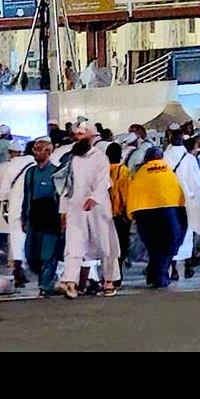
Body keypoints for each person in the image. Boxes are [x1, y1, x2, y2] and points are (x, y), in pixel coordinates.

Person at [59, 122, 121, 298]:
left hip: (98, 210)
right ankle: (70, 281)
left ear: (91, 138)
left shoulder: (100, 158)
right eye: (76, 135)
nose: (78, 138)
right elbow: (64, 186)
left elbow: (103, 182)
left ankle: (109, 280)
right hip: (75, 209)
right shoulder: (70, 158)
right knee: (73, 244)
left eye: (82, 135)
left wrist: (94, 198)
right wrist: (62, 211)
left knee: (106, 245)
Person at [126, 146, 186, 288]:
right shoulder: (169, 171)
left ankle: (154, 273)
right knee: (169, 244)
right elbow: (178, 191)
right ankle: (160, 275)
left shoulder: (140, 172)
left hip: (144, 212)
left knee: (153, 245)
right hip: (169, 210)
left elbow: (133, 190)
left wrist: (132, 213)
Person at [21, 138, 63, 296]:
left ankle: (45, 285)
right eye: (35, 149)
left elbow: (61, 197)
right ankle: (46, 280)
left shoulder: (56, 172)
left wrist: (62, 218)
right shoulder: (30, 173)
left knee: (48, 253)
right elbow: (27, 196)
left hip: (51, 217)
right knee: (31, 254)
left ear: (49, 151)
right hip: (34, 217)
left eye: (40, 149)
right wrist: (24, 217)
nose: (36, 152)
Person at [162, 125, 200, 279]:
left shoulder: (163, 158)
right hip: (186, 202)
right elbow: (197, 184)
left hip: (167, 202)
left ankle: (172, 268)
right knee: (187, 233)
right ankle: (187, 266)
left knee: (169, 234)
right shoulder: (189, 159)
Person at [0, 140, 33, 287]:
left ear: (10, 152)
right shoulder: (33, 164)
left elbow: (2, 193)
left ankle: (18, 269)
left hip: (15, 207)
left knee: (16, 239)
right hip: (33, 206)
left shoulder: (8, 167)